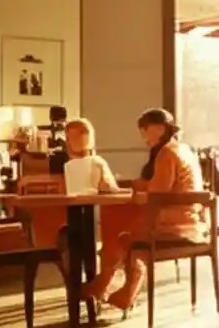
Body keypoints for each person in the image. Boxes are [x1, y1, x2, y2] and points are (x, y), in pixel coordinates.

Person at [83, 108, 206, 310]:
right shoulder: (183, 149)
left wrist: (134, 189)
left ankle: (108, 282)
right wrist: (140, 186)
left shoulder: (167, 153)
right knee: (123, 226)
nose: (143, 138)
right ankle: (112, 284)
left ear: (159, 128)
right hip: (191, 219)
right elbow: (162, 186)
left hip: (174, 223)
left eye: (144, 130)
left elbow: (157, 194)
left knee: (118, 225)